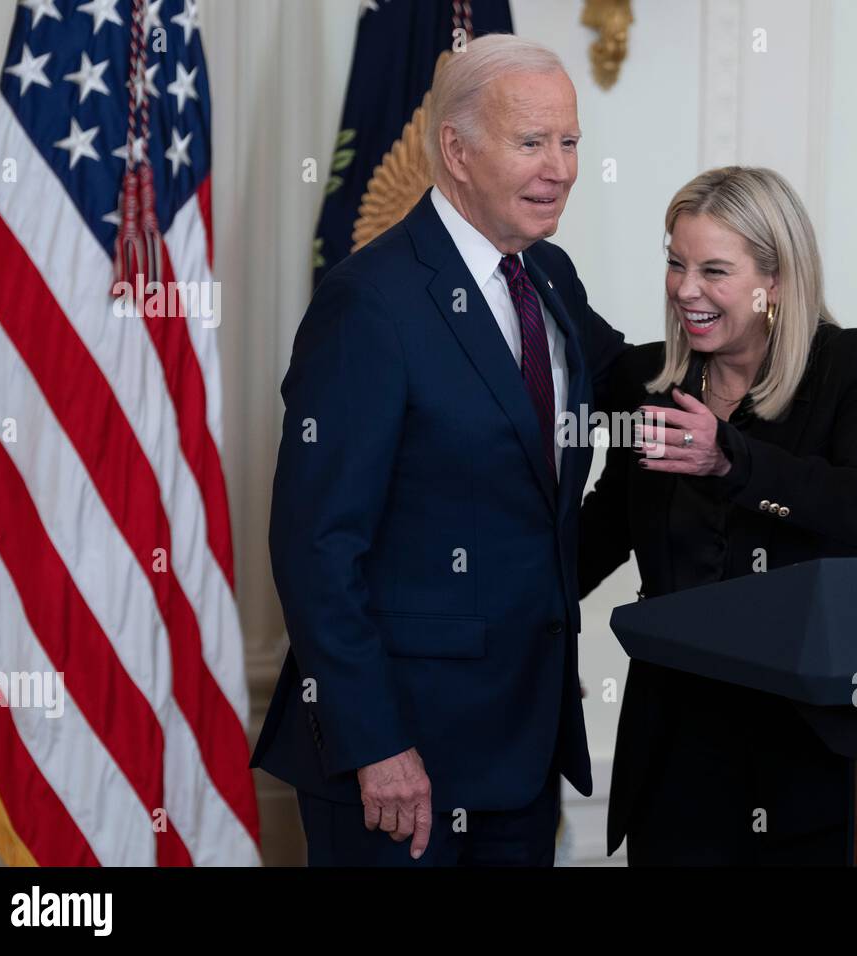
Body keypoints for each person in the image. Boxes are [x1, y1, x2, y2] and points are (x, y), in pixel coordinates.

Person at [252, 35, 628, 867]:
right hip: (397, 760)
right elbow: (316, 547)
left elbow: (631, 382)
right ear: (456, 150)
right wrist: (376, 744)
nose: (560, 167)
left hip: (524, 749)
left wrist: (781, 355)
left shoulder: (549, 275)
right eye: (532, 142)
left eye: (569, 142)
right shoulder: (369, 304)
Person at [578, 166, 857, 865]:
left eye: (713, 271)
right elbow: (603, 530)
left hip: (813, 756)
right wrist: (482, 602)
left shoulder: (856, 364)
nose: (685, 289)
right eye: (676, 263)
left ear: (776, 281)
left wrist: (731, 461)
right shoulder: (647, 384)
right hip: (677, 758)